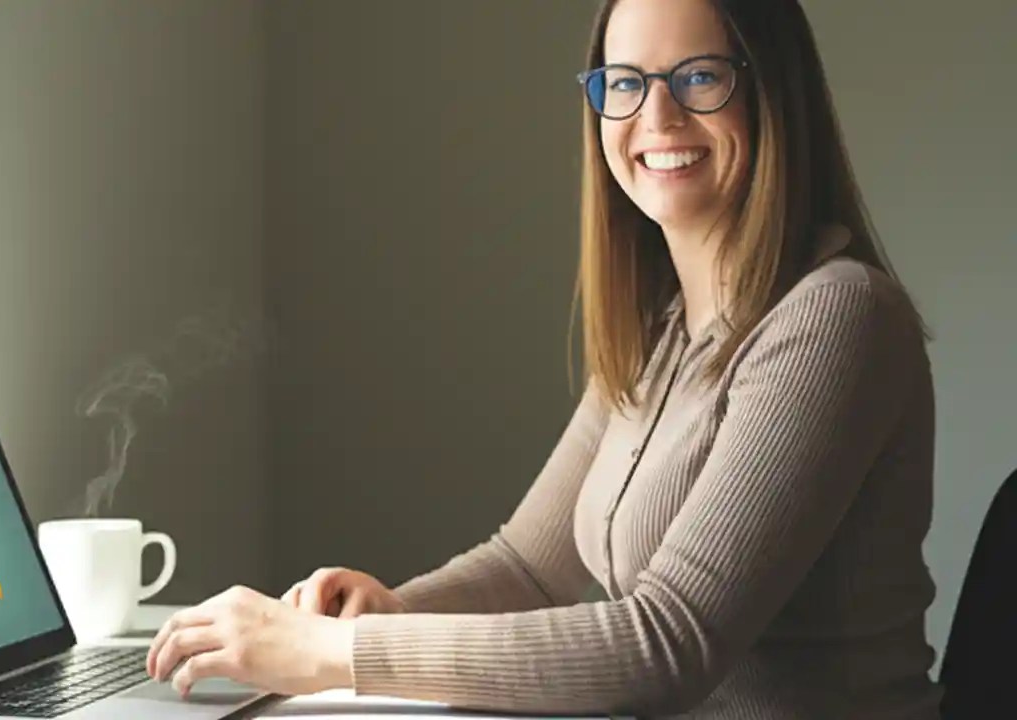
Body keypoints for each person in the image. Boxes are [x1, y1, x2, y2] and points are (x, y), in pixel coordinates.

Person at [145, 0, 943, 716]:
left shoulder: (836, 315)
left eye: (700, 77)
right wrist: (387, 611)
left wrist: (328, 657)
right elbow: (529, 567)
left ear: (775, 96)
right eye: (623, 82)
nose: (656, 115)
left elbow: (665, 645)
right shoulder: (663, 329)